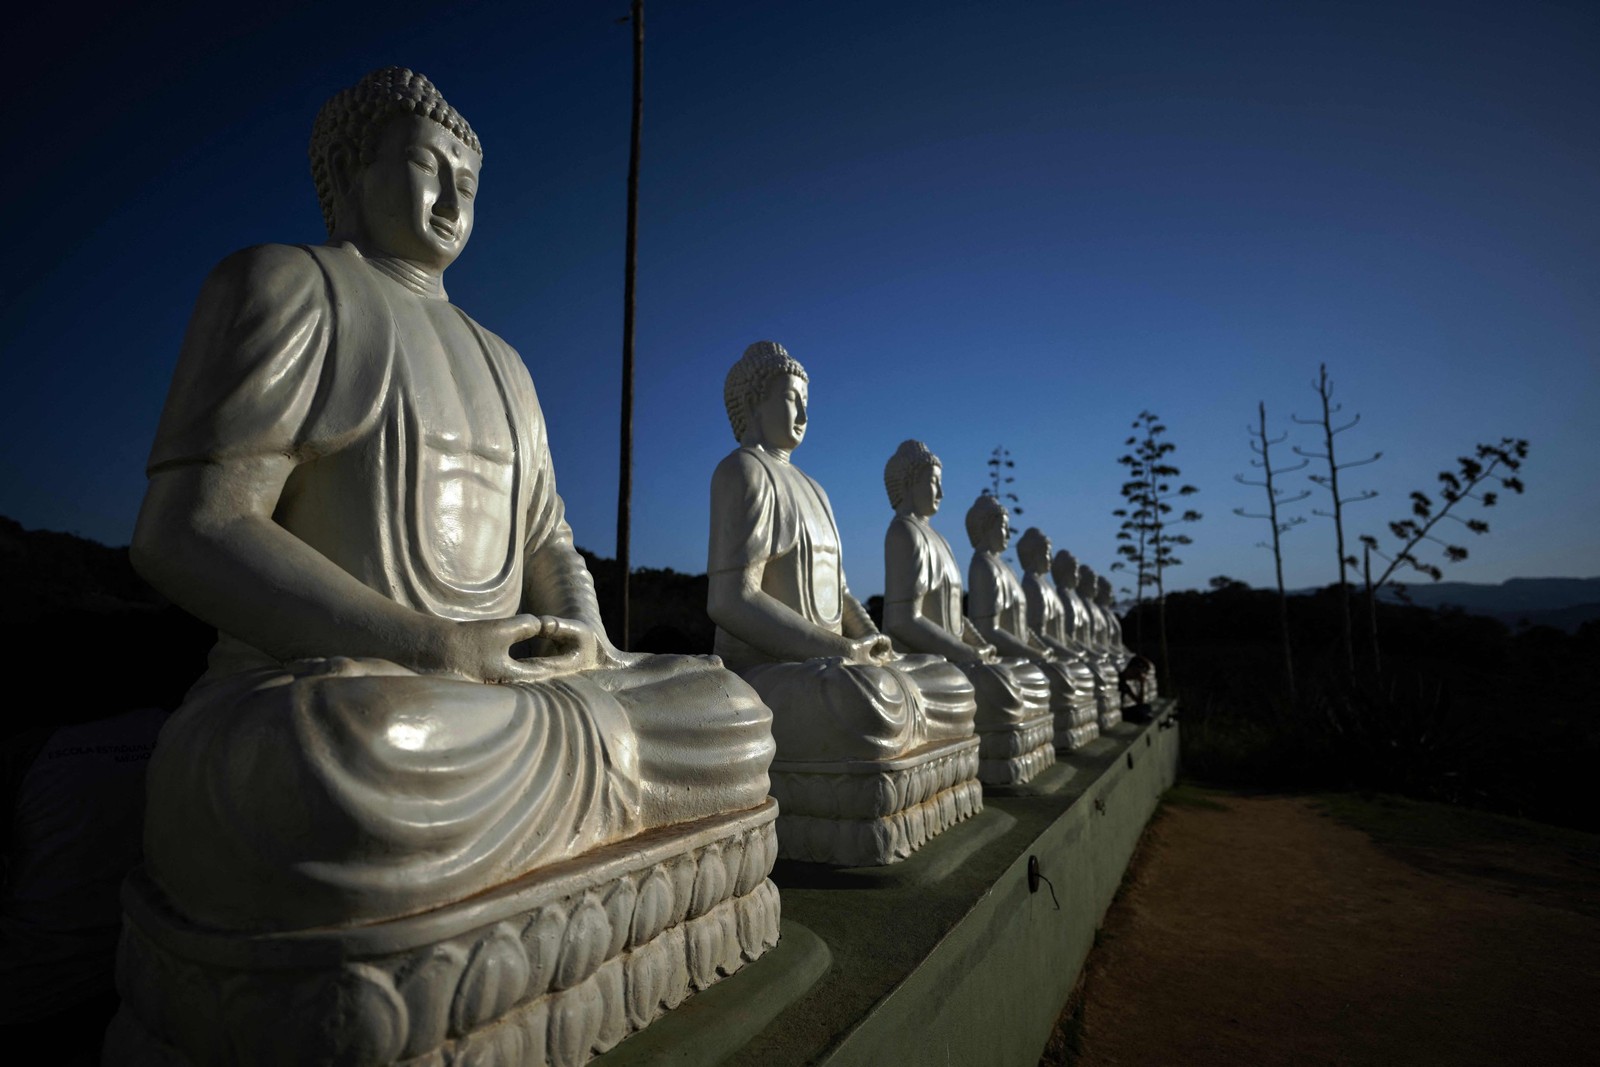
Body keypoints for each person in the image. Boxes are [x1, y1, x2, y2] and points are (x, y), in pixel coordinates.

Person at [129, 68, 773, 934]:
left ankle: (581, 789)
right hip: (364, 692)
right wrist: (432, 646)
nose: (449, 200)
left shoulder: (507, 363)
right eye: (427, 168)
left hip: (512, 705)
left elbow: (547, 540)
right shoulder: (287, 284)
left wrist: (589, 642)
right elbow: (190, 527)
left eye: (467, 184)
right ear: (351, 169)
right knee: (332, 757)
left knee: (730, 706)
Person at [707, 344, 975, 763]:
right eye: (791, 400)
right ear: (754, 401)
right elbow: (731, 599)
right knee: (868, 697)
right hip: (767, 672)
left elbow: (843, 593)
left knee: (948, 678)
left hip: (834, 663)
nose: (803, 415)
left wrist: (871, 643)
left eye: (806, 403)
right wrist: (840, 650)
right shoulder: (743, 471)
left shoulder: (817, 491)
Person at [881, 441, 1052, 784]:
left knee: (1025, 677)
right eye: (933, 482)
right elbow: (902, 620)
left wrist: (976, 647)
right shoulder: (904, 532)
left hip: (952, 661)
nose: (941, 492)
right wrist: (964, 651)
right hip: (922, 661)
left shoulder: (941, 542)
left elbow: (957, 618)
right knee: (1001, 686)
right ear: (909, 483)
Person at [966, 497, 1099, 750]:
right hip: (1003, 661)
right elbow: (988, 630)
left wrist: (1041, 650)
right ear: (985, 526)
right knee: (1044, 680)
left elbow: (1027, 631)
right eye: (1003, 526)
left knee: (1068, 675)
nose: (1008, 534)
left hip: (1021, 661)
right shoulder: (983, 565)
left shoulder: (1010, 572)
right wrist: (1033, 652)